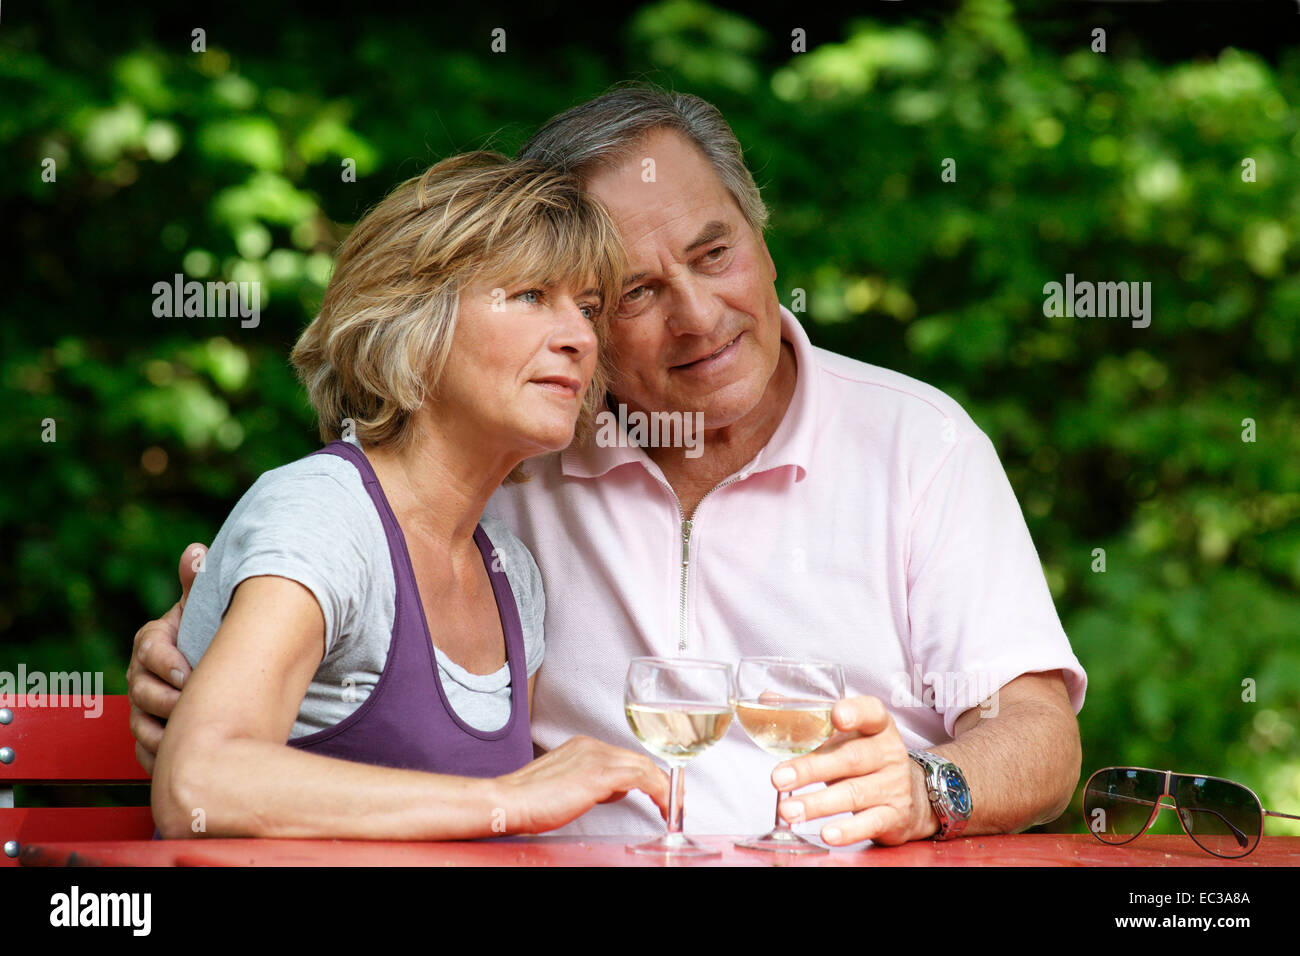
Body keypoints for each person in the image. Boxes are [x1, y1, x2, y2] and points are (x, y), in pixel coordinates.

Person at [132, 86, 1086, 847]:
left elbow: (1042, 738)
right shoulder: (519, 457)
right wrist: (203, 641)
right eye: (629, 293)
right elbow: (343, 549)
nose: (699, 317)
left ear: (762, 235)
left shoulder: (919, 444)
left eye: (715, 254)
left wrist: (932, 787)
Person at [147, 150, 669, 840]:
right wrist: (515, 798)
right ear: (414, 320)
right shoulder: (325, 515)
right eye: (531, 295)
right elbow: (198, 783)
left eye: (589, 308)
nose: (578, 337)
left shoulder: (509, 568)